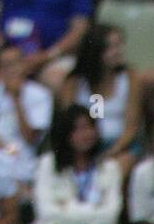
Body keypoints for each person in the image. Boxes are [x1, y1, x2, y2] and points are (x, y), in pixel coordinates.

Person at [32, 105, 122, 224]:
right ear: (66, 133)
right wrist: (94, 209)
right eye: (79, 129)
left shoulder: (109, 167)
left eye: (89, 127)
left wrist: (67, 207)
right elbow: (46, 212)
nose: (86, 134)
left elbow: (111, 214)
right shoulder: (47, 164)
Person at [61, 25, 143, 169]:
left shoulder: (130, 78)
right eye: (111, 47)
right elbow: (66, 123)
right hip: (83, 147)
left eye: (119, 45)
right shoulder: (74, 82)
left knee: (115, 169)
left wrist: (111, 152)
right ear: (95, 50)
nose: (118, 52)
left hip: (119, 146)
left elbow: (131, 128)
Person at [0, 42, 53, 184]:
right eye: (6, 65)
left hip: (24, 159)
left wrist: (16, 98)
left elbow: (31, 138)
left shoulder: (40, 95)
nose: (12, 70)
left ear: (25, 65)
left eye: (16, 63)